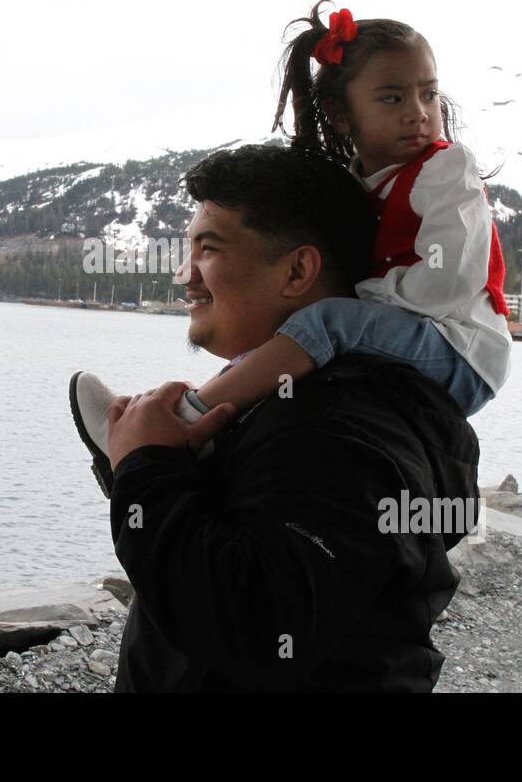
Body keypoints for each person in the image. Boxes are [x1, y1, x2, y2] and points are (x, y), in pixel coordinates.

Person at [81, 143, 481, 691]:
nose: (185, 276)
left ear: (297, 271)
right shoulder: (298, 403)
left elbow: (256, 625)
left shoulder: (333, 431)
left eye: (209, 249)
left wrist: (148, 469)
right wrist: (148, 464)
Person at [71, 1, 511, 475]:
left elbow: (449, 283)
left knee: (326, 324)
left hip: (460, 350)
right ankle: (186, 433)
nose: (418, 114)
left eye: (428, 95)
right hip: (415, 340)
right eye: (393, 98)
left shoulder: (447, 170)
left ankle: (183, 418)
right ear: (340, 115)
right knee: (275, 348)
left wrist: (353, 305)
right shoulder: (364, 181)